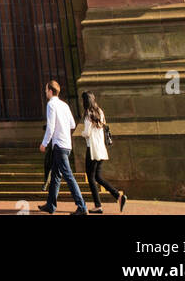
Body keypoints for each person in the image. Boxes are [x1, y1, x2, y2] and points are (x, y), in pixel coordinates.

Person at [37, 79, 87, 214]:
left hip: (58, 145)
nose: (45, 92)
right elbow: (72, 124)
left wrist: (44, 143)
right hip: (67, 144)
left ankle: (82, 206)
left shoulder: (51, 105)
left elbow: (51, 127)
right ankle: (50, 205)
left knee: (68, 175)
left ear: (51, 91)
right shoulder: (64, 105)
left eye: (46, 90)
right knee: (55, 176)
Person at [80, 91, 127, 214]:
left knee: (91, 177)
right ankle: (118, 196)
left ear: (85, 101)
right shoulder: (100, 111)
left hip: (92, 149)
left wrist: (82, 133)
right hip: (101, 148)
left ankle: (98, 205)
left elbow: (87, 132)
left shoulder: (88, 114)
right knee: (98, 177)